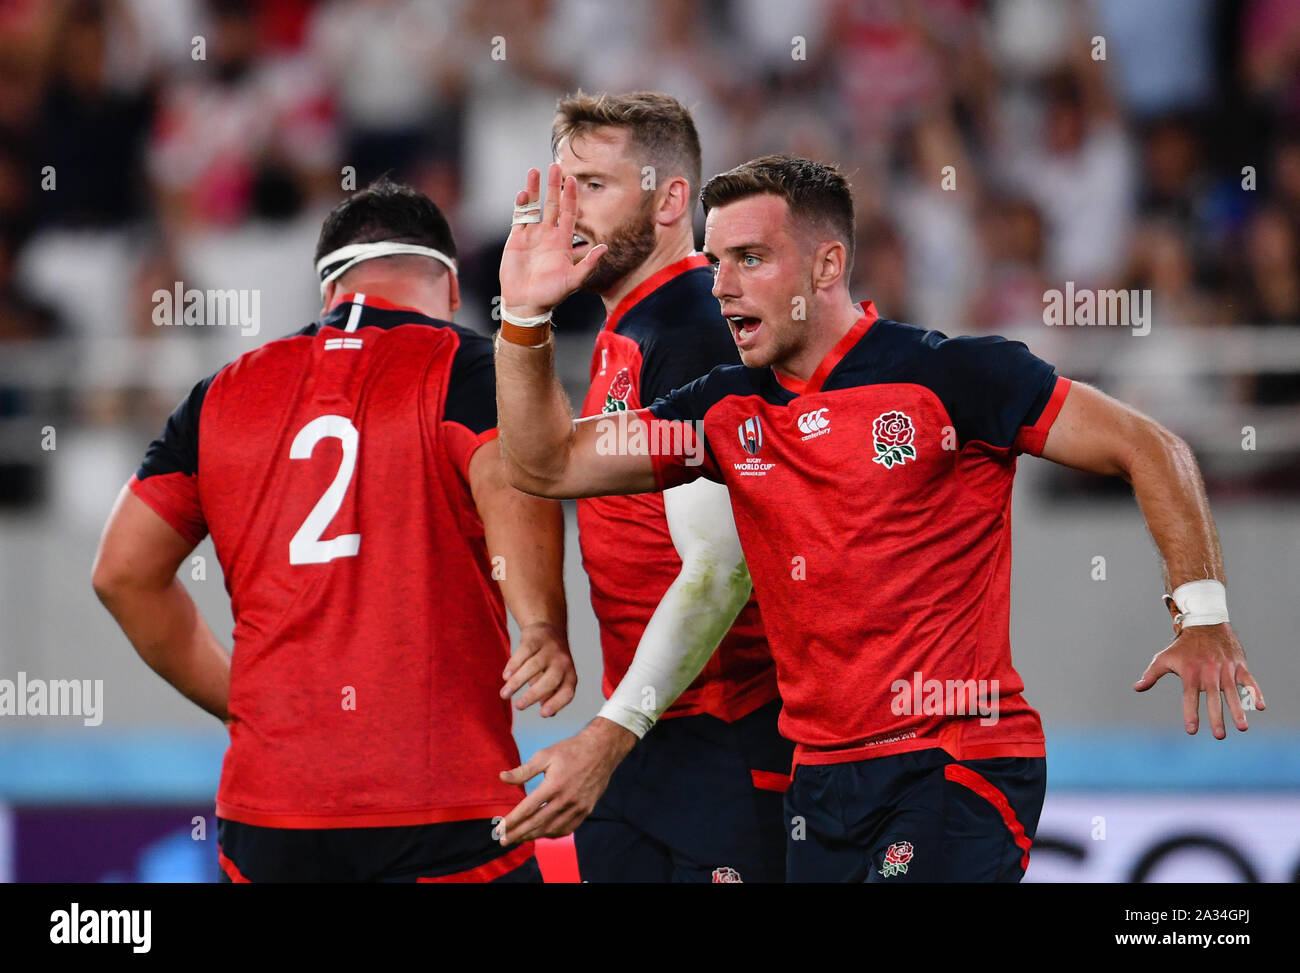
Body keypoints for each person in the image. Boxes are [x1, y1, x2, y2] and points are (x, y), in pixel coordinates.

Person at [491, 156, 1267, 882]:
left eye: (751, 259)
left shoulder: (950, 376)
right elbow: (548, 462)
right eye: (715, 258)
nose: (721, 285)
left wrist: (1200, 614)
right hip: (820, 783)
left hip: (954, 758)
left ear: (828, 266)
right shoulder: (723, 411)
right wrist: (525, 320)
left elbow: (1150, 445)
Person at [92, 178, 573, 883]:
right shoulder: (468, 367)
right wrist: (543, 624)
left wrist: (243, 699)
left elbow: (121, 573)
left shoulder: (218, 394)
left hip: (272, 810)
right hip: (437, 801)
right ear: (445, 286)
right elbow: (513, 481)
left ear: (329, 292)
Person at [498, 91, 791, 883]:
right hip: (646, 736)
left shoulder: (694, 328)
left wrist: (606, 736)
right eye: (560, 185)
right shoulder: (627, 328)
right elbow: (534, 466)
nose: (567, 209)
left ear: (669, 201)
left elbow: (722, 566)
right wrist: (523, 314)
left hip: (721, 740)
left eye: (592, 185)